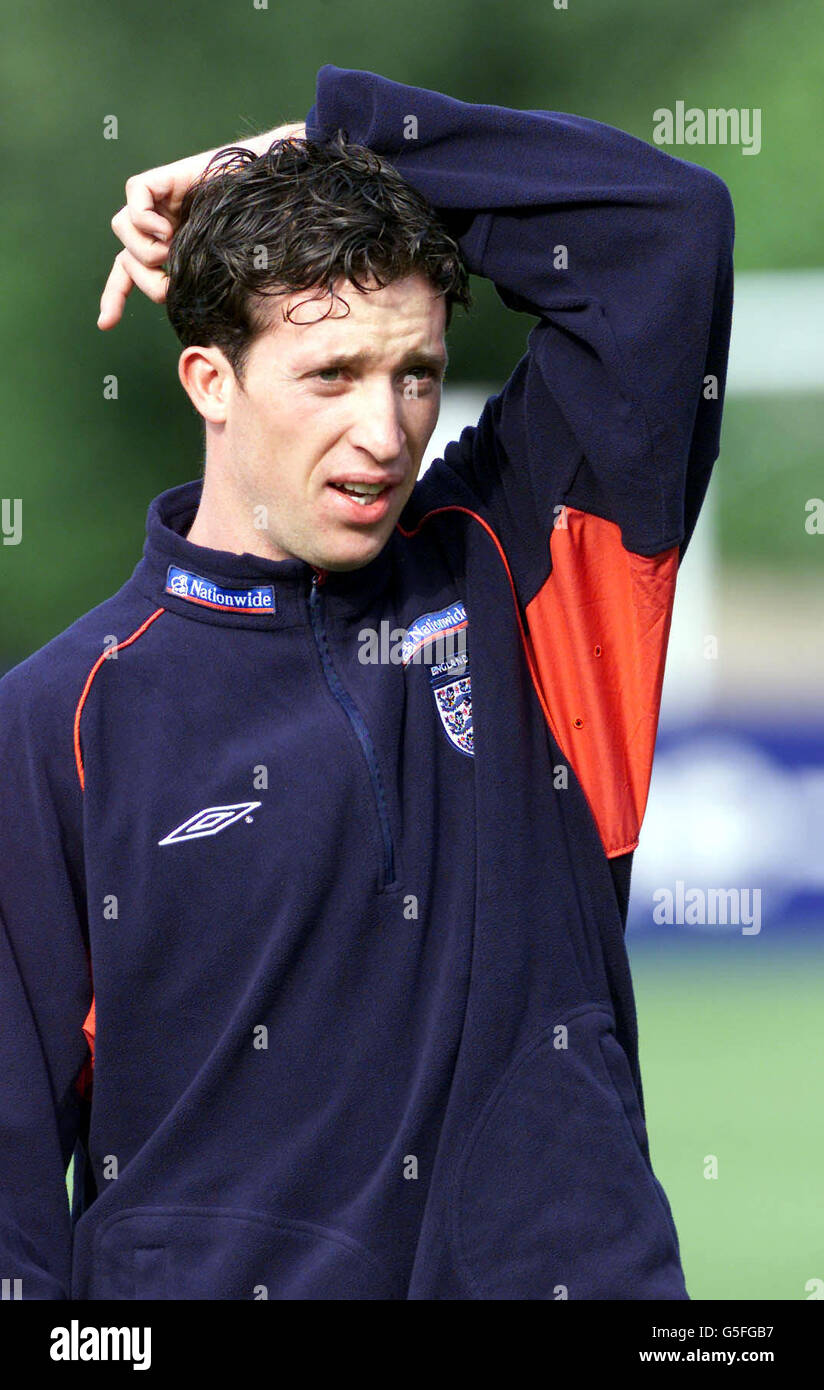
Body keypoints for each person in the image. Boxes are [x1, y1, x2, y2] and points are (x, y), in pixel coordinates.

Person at [0, 64, 734, 1300]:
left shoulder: (519, 567)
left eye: (413, 372)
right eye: (331, 375)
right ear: (210, 384)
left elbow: (667, 230)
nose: (387, 431)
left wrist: (326, 136)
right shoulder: (57, 719)